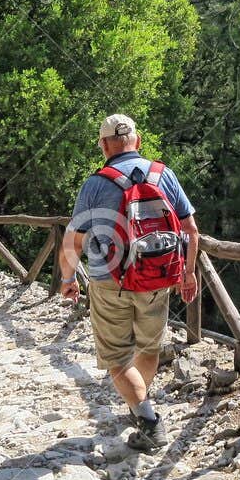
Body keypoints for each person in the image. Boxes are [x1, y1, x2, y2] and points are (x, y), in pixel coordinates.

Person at [57, 114, 199, 451]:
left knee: (118, 358)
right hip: (157, 279)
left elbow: (73, 241)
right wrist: (188, 273)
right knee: (148, 349)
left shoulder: (95, 184)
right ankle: (139, 403)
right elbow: (191, 231)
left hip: (109, 282)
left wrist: (67, 278)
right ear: (137, 140)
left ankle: (148, 420)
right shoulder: (164, 175)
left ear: (104, 145)